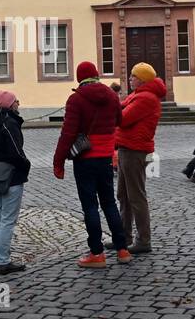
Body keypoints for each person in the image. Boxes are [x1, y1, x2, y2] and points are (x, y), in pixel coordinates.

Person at [54, 61, 128, 268]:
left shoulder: (76, 99)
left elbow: (68, 134)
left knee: (90, 206)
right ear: (96, 75)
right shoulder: (112, 96)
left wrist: (58, 162)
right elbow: (119, 121)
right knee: (109, 203)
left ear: (80, 77)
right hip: (106, 156)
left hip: (85, 159)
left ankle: (97, 253)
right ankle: (122, 249)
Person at [115, 63, 165, 255]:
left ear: (142, 80)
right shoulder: (137, 95)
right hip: (126, 148)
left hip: (135, 150)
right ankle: (124, 236)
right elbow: (120, 107)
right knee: (124, 196)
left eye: (133, 76)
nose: (130, 79)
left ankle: (143, 240)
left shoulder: (146, 98)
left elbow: (122, 118)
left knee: (136, 197)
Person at [0, 90, 29, 275]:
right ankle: (3, 261)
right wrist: (26, 165)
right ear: (10, 105)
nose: (18, 103)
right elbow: (17, 152)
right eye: (16, 101)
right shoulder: (10, 123)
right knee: (8, 220)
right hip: (12, 176)